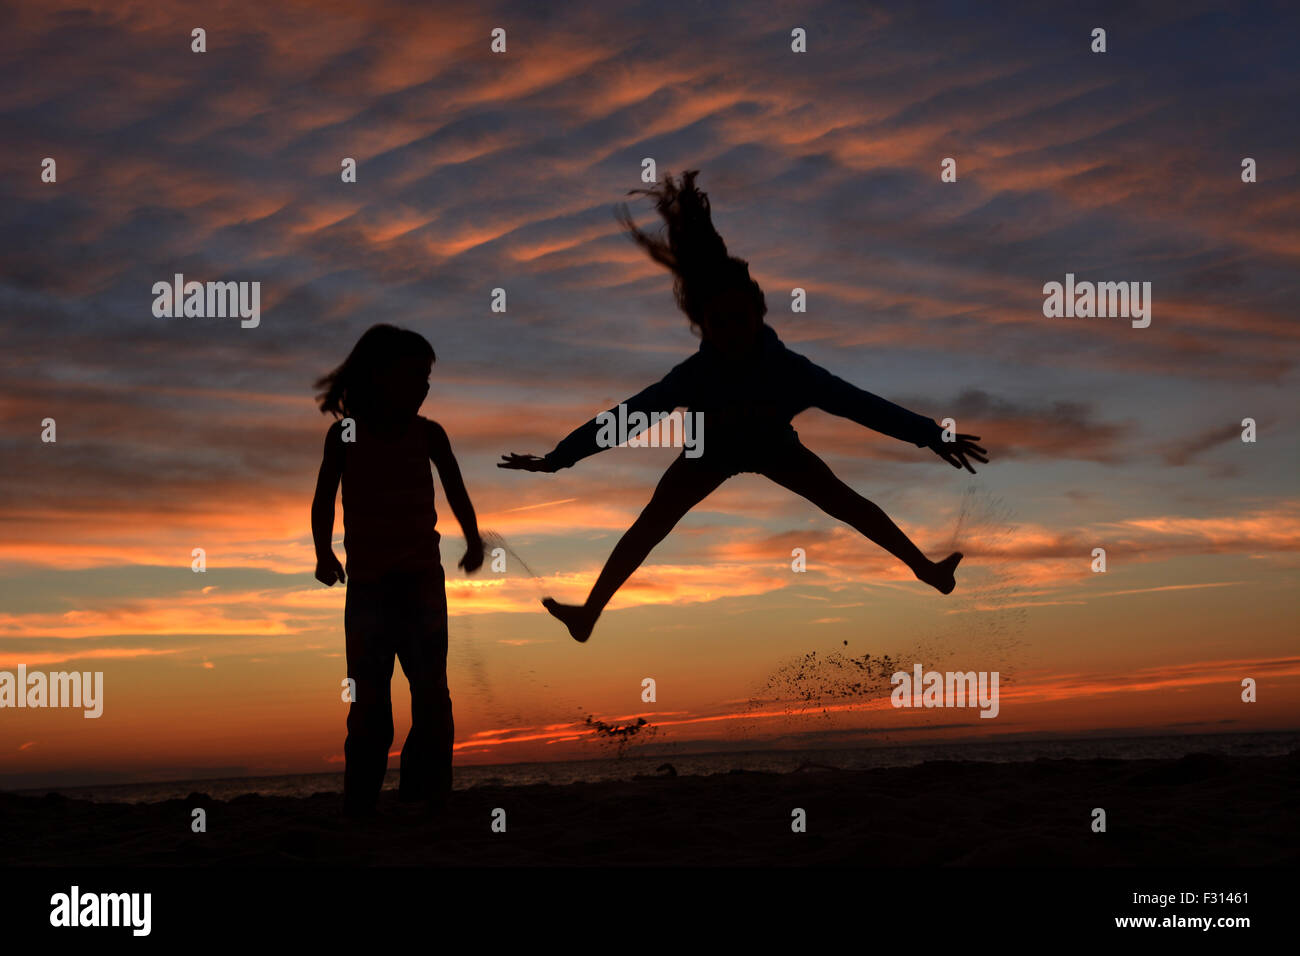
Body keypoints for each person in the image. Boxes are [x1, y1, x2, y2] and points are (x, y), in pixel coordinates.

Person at [500, 171, 986, 643]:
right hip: (707, 453)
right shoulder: (693, 375)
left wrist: (931, 434)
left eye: (739, 318)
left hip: (775, 448)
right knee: (651, 524)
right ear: (703, 324)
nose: (730, 330)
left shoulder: (790, 370)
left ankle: (928, 570)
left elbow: (860, 405)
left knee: (846, 504)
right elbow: (630, 417)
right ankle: (588, 613)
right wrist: (560, 457)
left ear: (759, 314)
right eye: (719, 322)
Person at [311, 324, 484, 817]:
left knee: (432, 695)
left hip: (422, 584)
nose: (424, 387)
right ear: (378, 376)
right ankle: (361, 801)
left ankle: (427, 795)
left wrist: (472, 540)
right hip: (368, 589)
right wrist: (324, 553)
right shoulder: (344, 435)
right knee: (369, 703)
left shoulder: (429, 433)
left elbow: (455, 489)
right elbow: (324, 499)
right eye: (414, 376)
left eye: (427, 378)